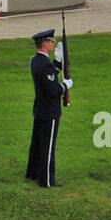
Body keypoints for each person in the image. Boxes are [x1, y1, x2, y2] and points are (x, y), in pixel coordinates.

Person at [25, 29, 69, 188]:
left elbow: (47, 76)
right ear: (45, 44)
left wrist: (57, 63)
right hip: (49, 110)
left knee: (37, 143)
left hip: (40, 108)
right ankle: (46, 180)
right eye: (51, 42)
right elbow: (53, 90)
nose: (53, 44)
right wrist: (65, 86)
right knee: (47, 146)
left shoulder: (35, 60)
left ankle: (33, 172)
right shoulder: (45, 65)